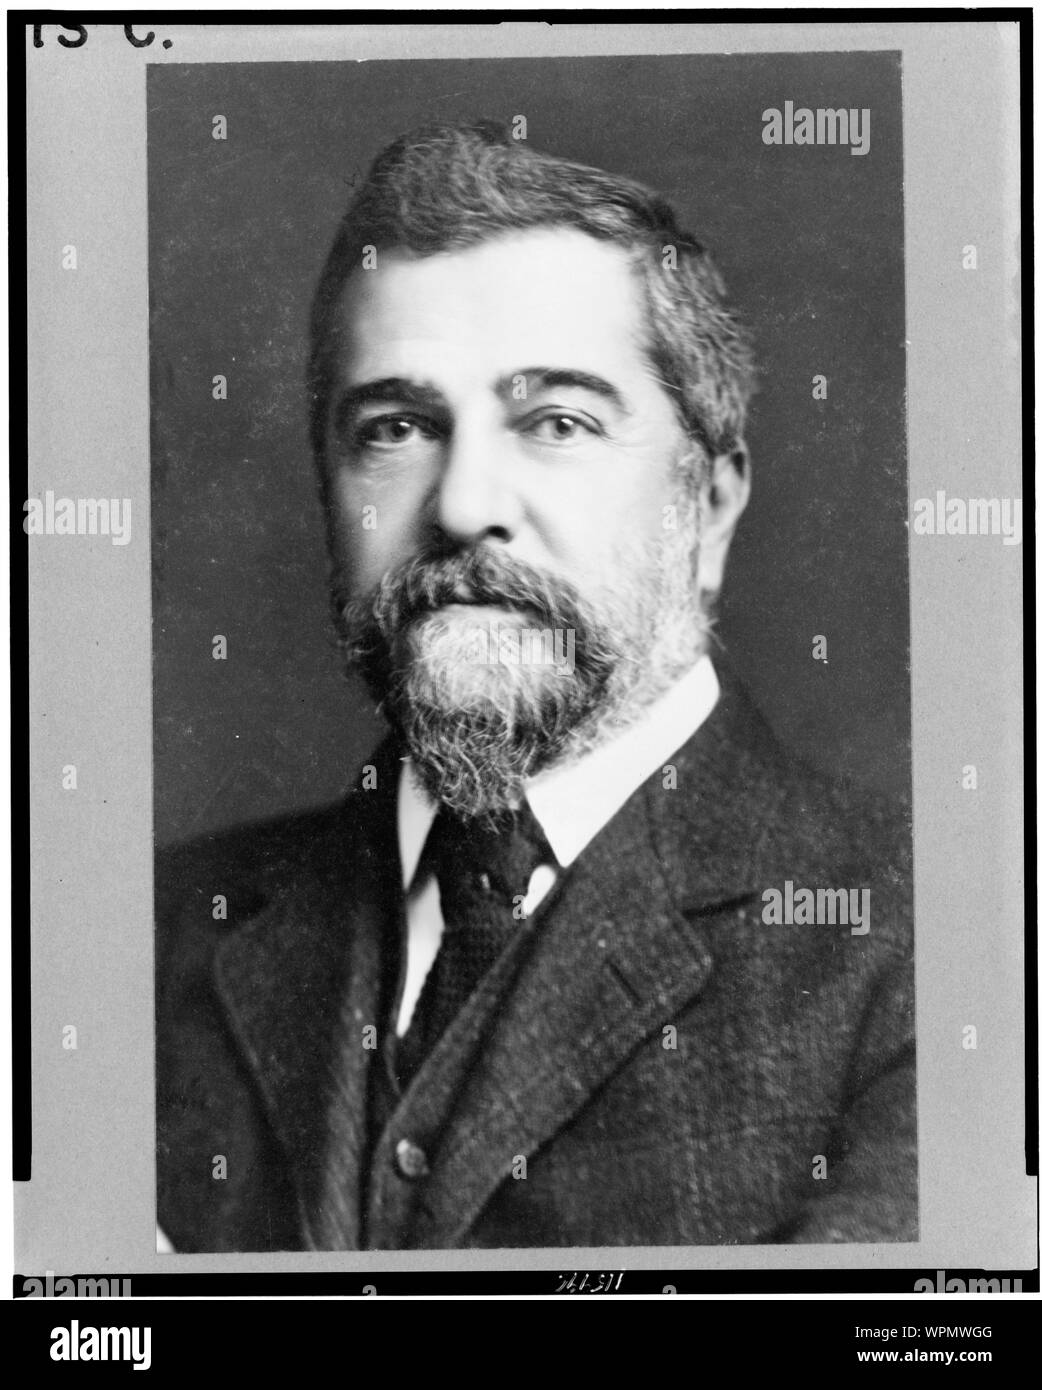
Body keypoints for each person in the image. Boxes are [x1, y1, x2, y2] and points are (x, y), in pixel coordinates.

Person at [156, 121, 916, 1252]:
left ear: (706, 501)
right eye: (397, 427)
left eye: (556, 420)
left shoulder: (949, 943)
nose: (462, 503)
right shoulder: (139, 933)